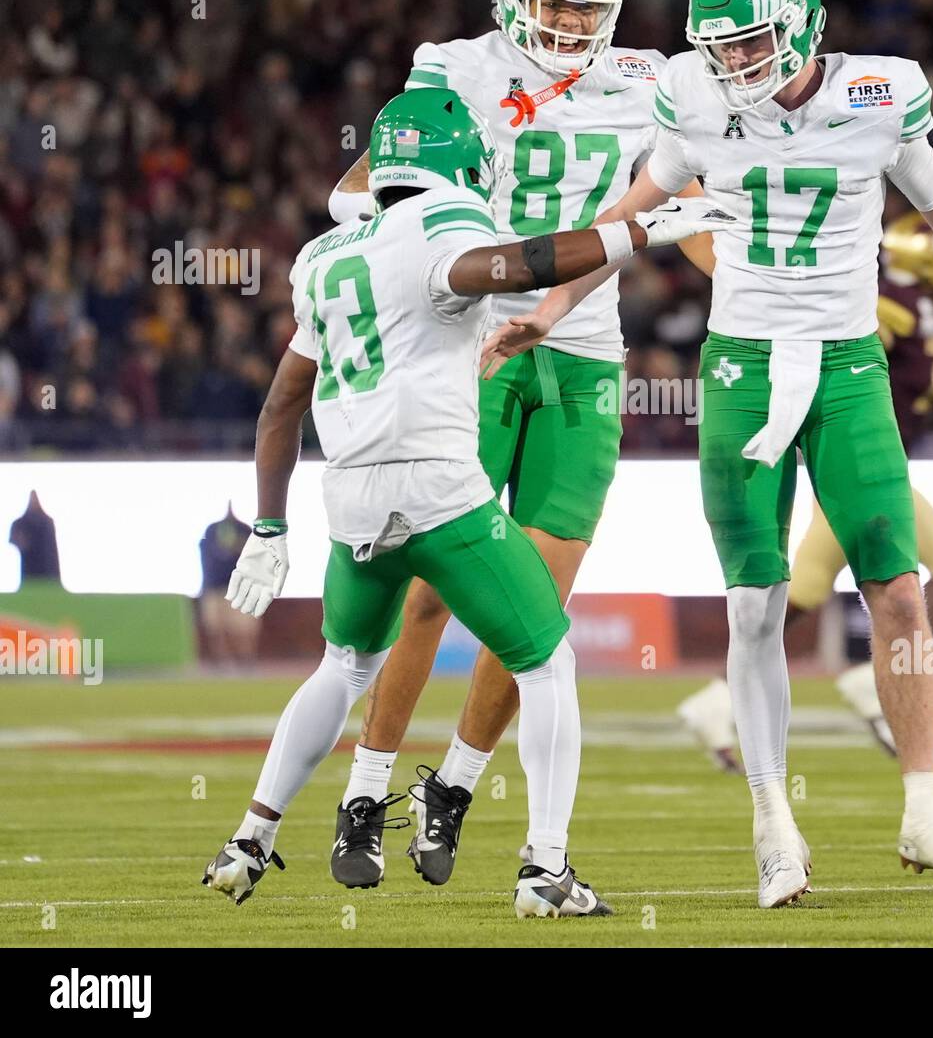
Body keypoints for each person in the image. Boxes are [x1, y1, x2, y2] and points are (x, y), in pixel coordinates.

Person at [483, 0, 933, 907]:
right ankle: (772, 821)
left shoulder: (879, 93)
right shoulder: (690, 95)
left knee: (900, 592)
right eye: (720, 45)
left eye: (752, 41)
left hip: (845, 366)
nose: (734, 62)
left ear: (805, 21)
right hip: (739, 367)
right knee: (754, 605)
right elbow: (634, 212)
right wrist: (551, 307)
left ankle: (925, 804)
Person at [201, 85, 730, 916]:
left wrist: (269, 527)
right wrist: (641, 230)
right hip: (440, 491)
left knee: (342, 666)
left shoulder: (323, 254)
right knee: (546, 658)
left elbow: (278, 409)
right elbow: (507, 268)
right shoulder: (443, 222)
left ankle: (250, 837)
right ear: (457, 164)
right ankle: (545, 869)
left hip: (353, 505)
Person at [326, 0, 712, 889]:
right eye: (557, 4)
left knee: (535, 608)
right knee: (427, 588)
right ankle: (365, 794)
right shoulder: (453, 68)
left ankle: (453, 785)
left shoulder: (648, 81)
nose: (576, 26)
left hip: (582, 355)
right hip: (471, 345)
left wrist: (755, 278)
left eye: (591, 9)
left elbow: (690, 206)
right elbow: (366, 182)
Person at [676, 212, 933, 767]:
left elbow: (918, 402)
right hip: (851, 458)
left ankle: (716, 699)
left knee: (805, 590)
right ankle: (864, 680)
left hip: (879, 460)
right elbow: (836, 376)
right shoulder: (884, 305)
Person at [197, 502, 259, 668]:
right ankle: (222, 662)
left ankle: (246, 661)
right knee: (216, 627)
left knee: (242, 629)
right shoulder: (211, 531)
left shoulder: (244, 530)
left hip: (239, 588)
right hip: (214, 587)